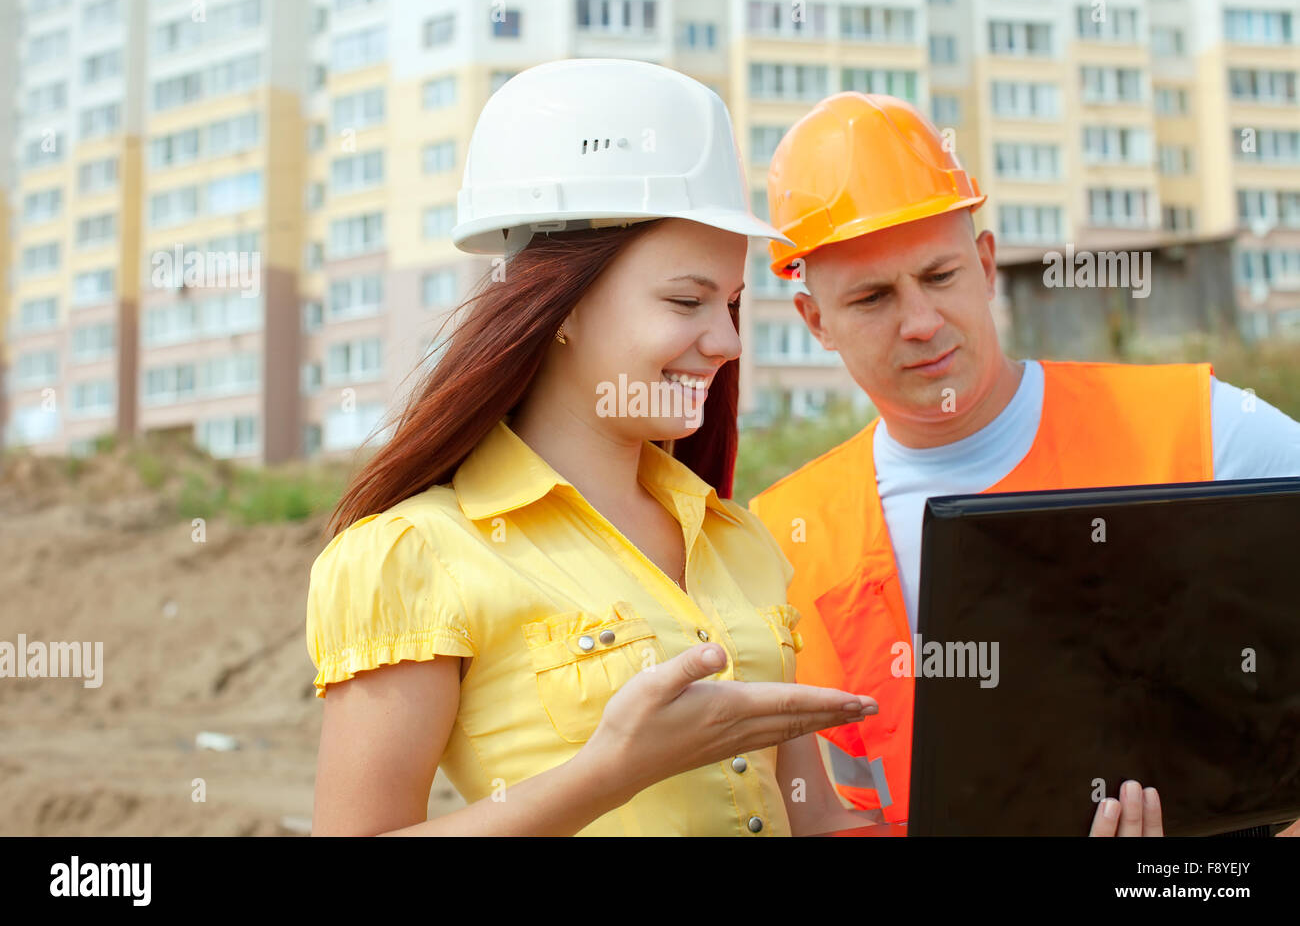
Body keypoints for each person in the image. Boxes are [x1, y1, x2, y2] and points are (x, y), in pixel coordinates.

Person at [305, 58, 883, 837]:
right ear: (561, 307)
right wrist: (611, 772)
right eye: (687, 300)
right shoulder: (416, 556)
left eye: (734, 303)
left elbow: (816, 822)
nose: (727, 341)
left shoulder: (736, 538)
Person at [748, 92, 1300, 836]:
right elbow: (830, 812)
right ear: (816, 320)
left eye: (939, 276)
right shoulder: (785, 539)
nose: (920, 323)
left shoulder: (1198, 427)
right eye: (874, 297)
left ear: (985, 265)